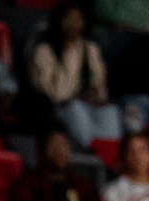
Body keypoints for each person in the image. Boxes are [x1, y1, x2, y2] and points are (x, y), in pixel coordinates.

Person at [29, 1, 119, 148]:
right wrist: (69, 53)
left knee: (110, 112)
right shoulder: (44, 51)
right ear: (59, 21)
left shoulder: (91, 49)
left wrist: (98, 96)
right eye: (68, 19)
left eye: (78, 20)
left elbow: (99, 84)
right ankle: (89, 152)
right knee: (76, 109)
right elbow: (52, 93)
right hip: (57, 107)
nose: (73, 24)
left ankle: (108, 157)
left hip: (89, 104)